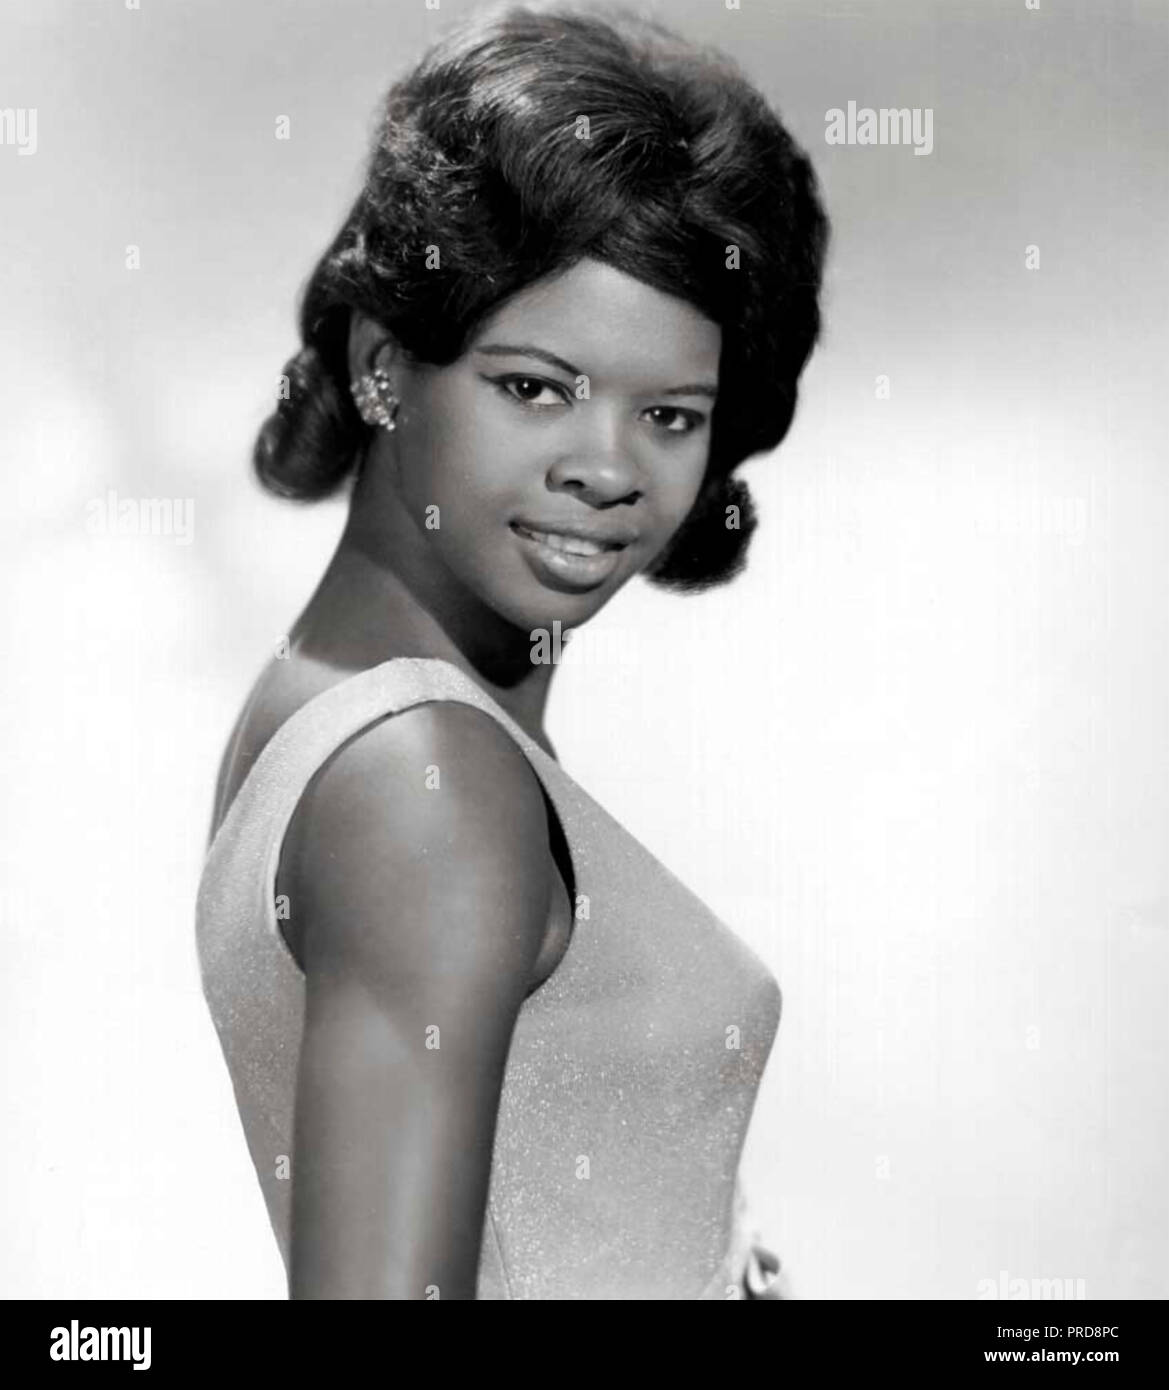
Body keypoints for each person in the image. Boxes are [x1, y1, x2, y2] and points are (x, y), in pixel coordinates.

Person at [196, 0, 829, 1299]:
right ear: (384, 367)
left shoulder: (339, 714)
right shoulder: (422, 779)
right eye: (534, 385)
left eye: (667, 412)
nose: (605, 468)